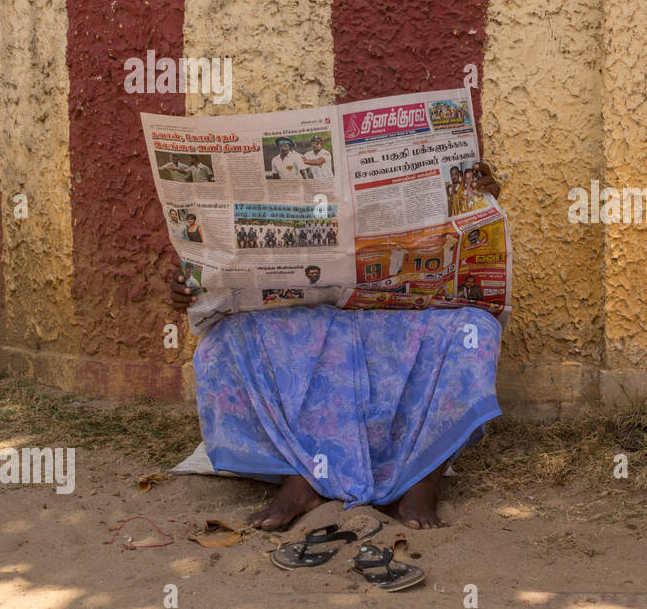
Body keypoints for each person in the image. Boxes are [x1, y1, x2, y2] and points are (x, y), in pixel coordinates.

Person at [169, 161, 505, 531]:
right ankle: (298, 477)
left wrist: (479, 198)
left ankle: (423, 480)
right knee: (225, 341)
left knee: (476, 330)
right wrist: (194, 287)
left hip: (399, 320)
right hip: (306, 321)